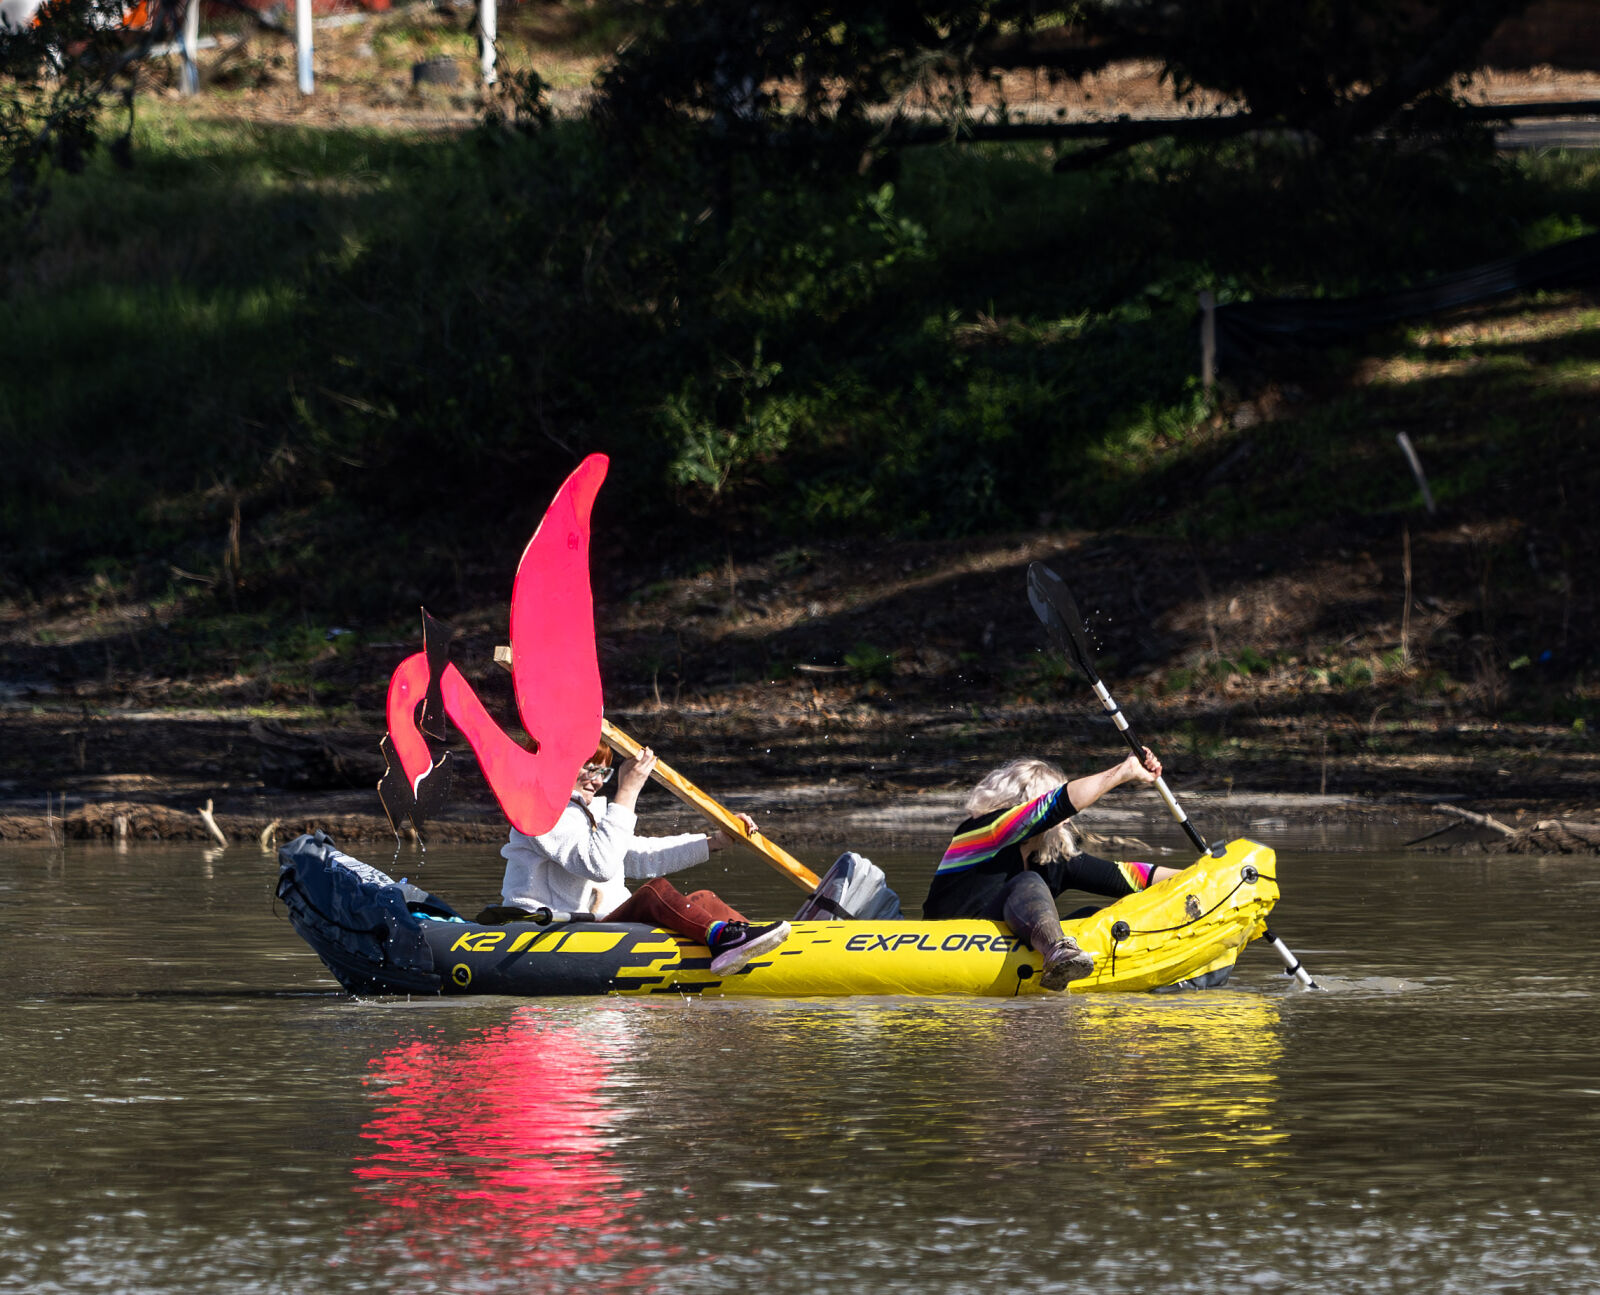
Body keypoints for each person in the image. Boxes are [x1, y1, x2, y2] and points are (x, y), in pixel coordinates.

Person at [492, 741, 790, 975]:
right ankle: (725, 940)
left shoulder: (587, 812)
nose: (597, 781)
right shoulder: (539, 815)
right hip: (550, 934)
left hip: (603, 928)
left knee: (705, 901)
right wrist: (629, 790)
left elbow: (638, 856)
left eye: (603, 772)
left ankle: (761, 946)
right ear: (558, 765)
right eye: (590, 769)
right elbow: (600, 865)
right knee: (653, 893)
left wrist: (715, 842)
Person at [922, 749, 1183, 991]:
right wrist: (1125, 771)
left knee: (1096, 917)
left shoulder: (1050, 857)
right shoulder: (984, 833)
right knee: (1028, 881)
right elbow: (1060, 803)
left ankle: (1158, 976)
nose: (1067, 819)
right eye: (1058, 811)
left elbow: (1129, 876)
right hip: (945, 948)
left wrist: (1205, 872)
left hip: (1009, 954)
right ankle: (1058, 951)